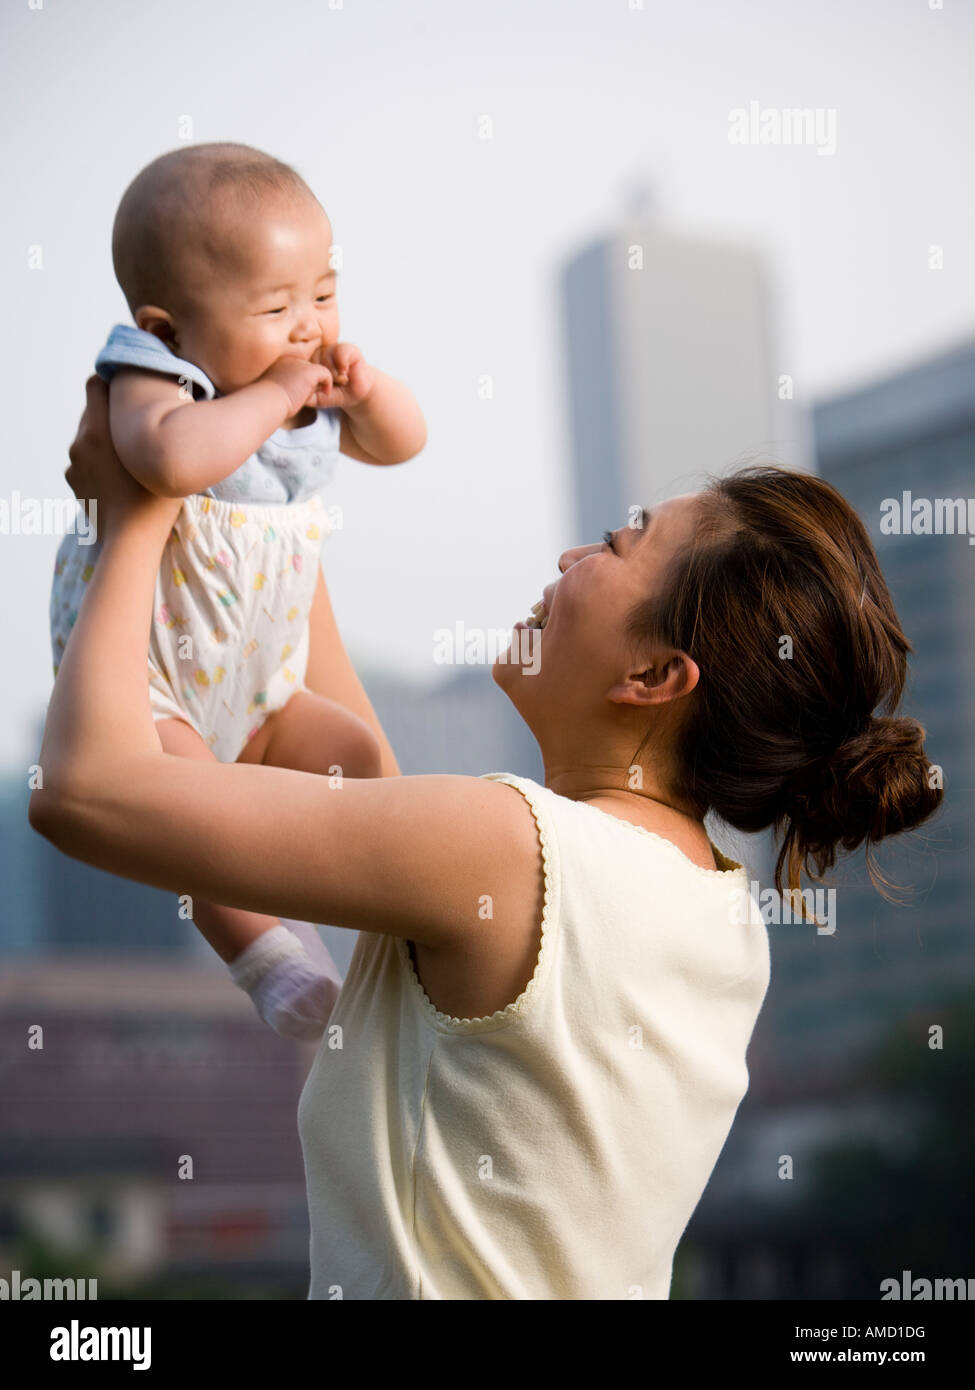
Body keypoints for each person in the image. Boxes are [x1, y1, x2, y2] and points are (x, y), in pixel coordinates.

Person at [30, 381, 943, 1298]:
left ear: (657, 674)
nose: (569, 553)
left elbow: (86, 793)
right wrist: (276, 489)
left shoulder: (501, 852)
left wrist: (133, 515)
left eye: (617, 545)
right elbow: (368, 789)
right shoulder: (711, 912)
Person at [49, 141, 426, 971]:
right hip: (158, 683)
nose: (310, 328)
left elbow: (403, 444)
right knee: (191, 805)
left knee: (358, 759)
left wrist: (365, 394)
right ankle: (267, 958)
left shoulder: (306, 384)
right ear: (168, 325)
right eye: (274, 309)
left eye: (324, 295)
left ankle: (380, 938)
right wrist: (276, 392)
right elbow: (174, 464)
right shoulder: (154, 374)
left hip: (263, 686)